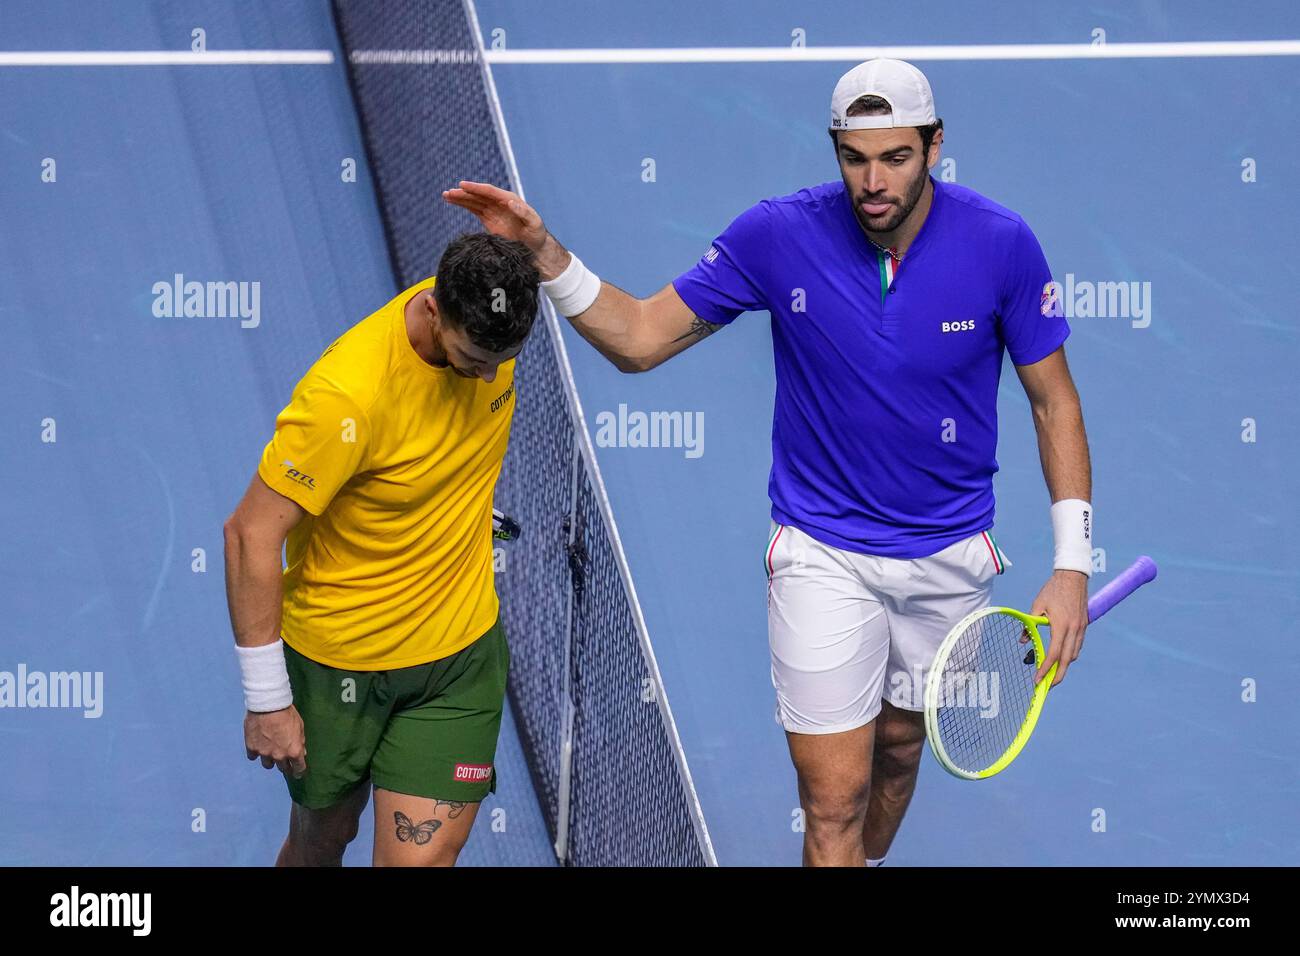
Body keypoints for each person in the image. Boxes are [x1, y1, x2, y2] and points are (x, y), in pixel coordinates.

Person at [445, 58, 1093, 867]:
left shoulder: (1001, 245)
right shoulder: (778, 235)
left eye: (895, 156)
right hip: (822, 553)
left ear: (934, 146)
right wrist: (545, 254)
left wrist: (1071, 565)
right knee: (832, 802)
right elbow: (641, 338)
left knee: (896, 755)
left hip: (950, 554)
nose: (873, 181)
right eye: (854, 158)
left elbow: (1052, 401)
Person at [223, 233, 540, 866]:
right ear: (431, 310)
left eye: (498, 362)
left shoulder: (494, 316)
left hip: (457, 658)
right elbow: (249, 534)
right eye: (471, 358)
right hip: (343, 662)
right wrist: (267, 699)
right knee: (323, 841)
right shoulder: (347, 399)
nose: (485, 375)